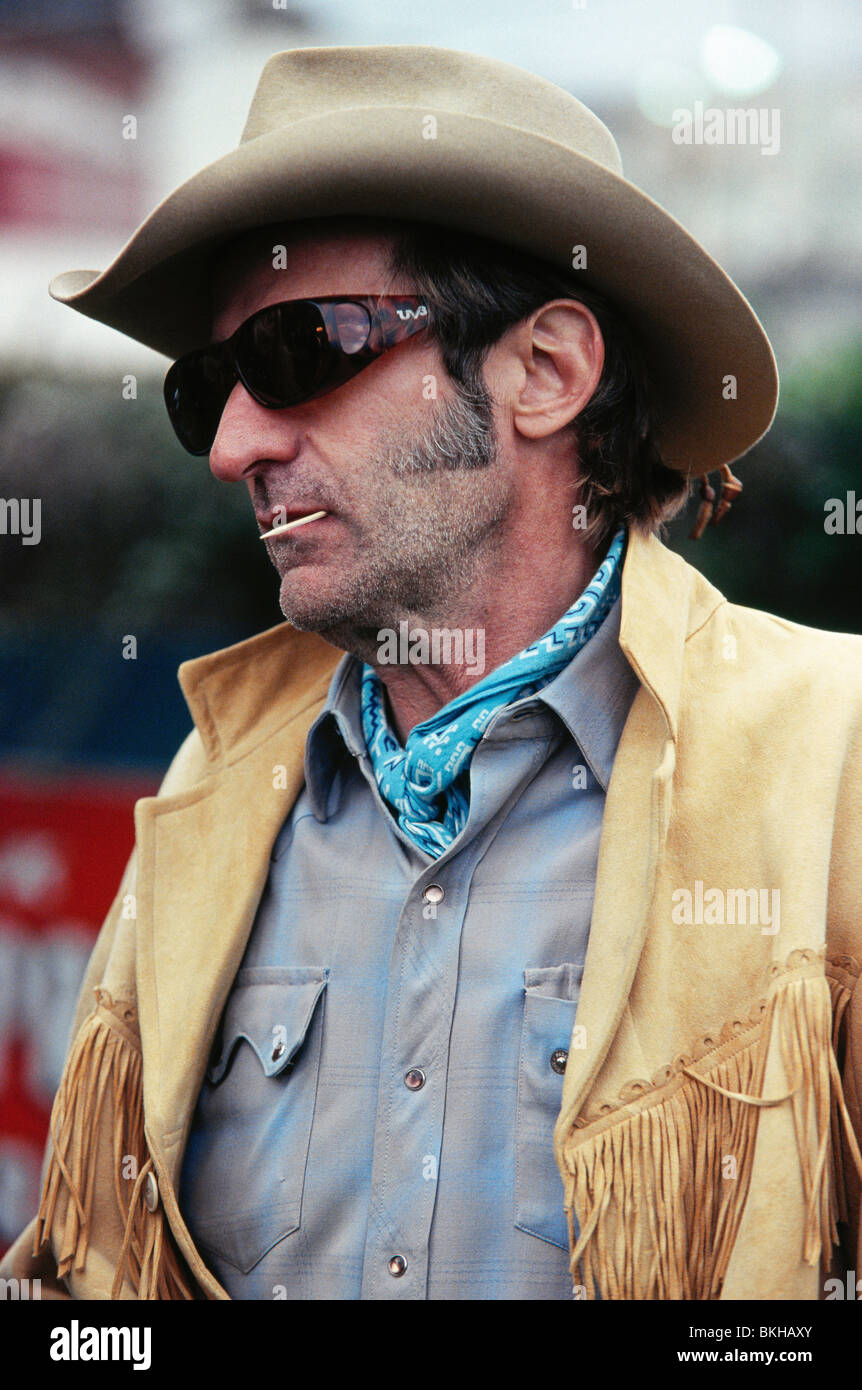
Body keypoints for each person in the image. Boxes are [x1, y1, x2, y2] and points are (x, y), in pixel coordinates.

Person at [3, 44, 861, 1302]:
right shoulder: (216, 782)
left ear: (545, 372)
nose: (233, 442)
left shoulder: (830, 763)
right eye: (206, 390)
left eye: (299, 352)